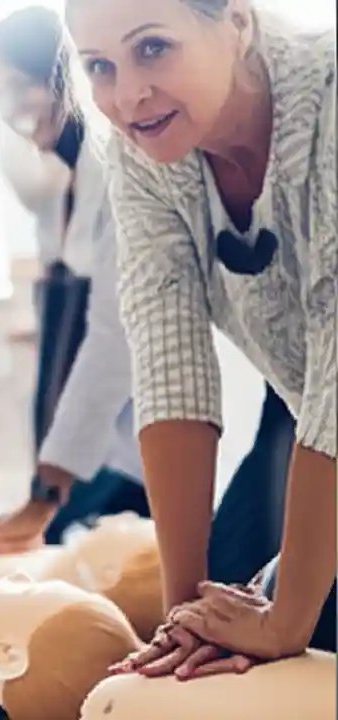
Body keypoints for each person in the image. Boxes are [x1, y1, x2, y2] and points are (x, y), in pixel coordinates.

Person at [65, 0, 336, 680]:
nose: (127, 95)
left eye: (153, 48)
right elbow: (168, 358)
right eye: (99, 66)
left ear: (237, 20)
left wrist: (287, 618)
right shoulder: (145, 154)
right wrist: (183, 619)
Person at [0, 6, 151, 556]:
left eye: (18, 88)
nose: (11, 110)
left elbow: (112, 339)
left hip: (144, 434)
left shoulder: (123, 171)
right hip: (104, 442)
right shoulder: (59, 190)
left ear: (60, 74)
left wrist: (45, 494)